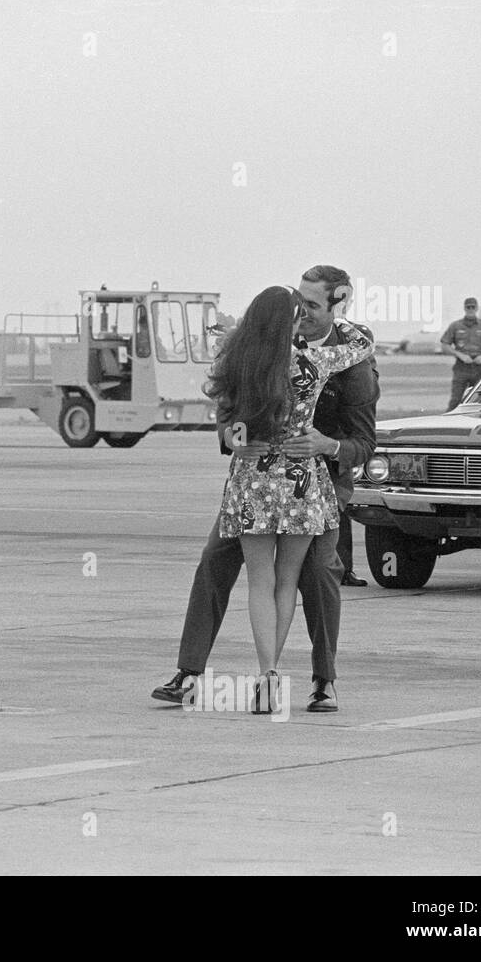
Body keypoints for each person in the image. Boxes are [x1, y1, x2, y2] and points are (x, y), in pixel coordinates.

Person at [152, 265, 379, 713]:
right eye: (301, 301)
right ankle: (191, 671)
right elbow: (227, 425)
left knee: (319, 573)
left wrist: (329, 444)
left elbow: (364, 443)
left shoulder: (344, 365)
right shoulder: (310, 357)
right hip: (283, 484)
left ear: (339, 302)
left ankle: (323, 680)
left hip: (319, 482)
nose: (305, 311)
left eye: (313, 304)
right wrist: (237, 438)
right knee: (215, 560)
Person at [208, 286, 373, 712]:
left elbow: (230, 423)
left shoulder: (236, 363)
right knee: (287, 582)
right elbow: (361, 344)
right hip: (301, 478)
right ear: (295, 321)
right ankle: (276, 670)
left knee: (258, 581)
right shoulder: (313, 362)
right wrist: (340, 310)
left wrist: (238, 439)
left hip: (252, 479)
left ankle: (267, 674)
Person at [440, 297, 481, 410]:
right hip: (461, 367)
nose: (471, 309)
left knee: (479, 399)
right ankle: (450, 423)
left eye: (473, 307)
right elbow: (445, 345)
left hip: (479, 367)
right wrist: (459, 355)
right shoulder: (455, 326)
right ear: (464, 308)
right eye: (468, 307)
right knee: (456, 400)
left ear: (476, 308)